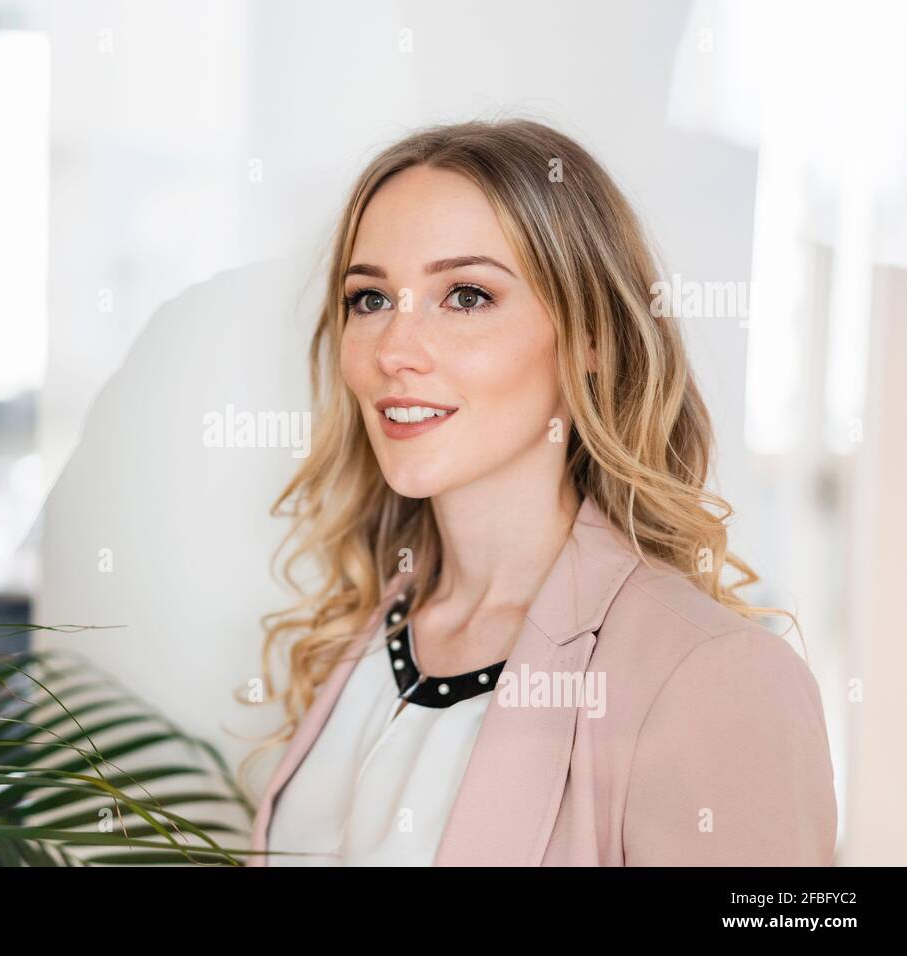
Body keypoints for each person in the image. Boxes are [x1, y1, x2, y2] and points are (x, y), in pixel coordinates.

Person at [245, 119, 837, 866]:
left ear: (591, 337)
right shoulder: (362, 633)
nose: (394, 351)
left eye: (464, 295)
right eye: (370, 300)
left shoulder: (714, 676)